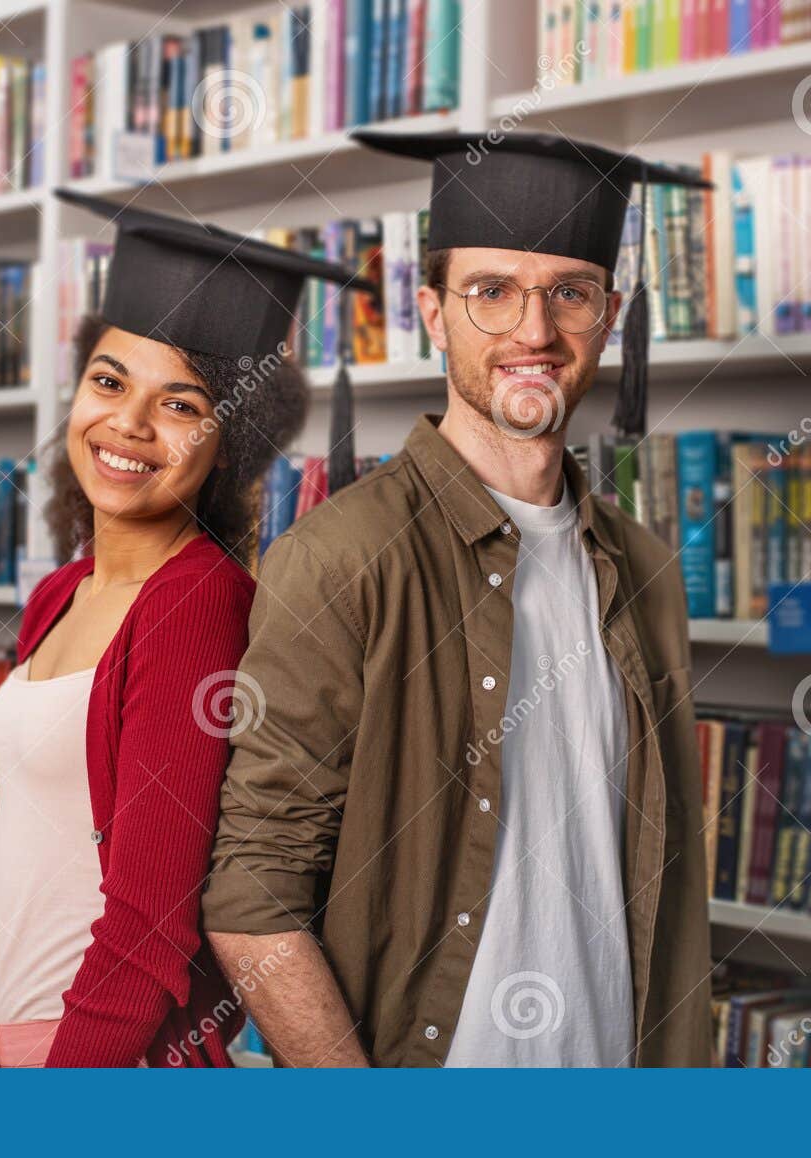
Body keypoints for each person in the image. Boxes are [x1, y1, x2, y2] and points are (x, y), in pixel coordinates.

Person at [202, 130, 714, 1067]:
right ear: (432, 313)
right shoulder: (340, 558)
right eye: (492, 292)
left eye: (571, 291)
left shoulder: (643, 569)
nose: (533, 331)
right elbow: (253, 895)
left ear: (610, 316)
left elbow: (665, 886)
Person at [0, 195, 371, 1067]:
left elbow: (149, 920)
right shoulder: (59, 594)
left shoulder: (197, 605)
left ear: (231, 440)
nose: (128, 426)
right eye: (109, 382)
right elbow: (8, 853)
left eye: (180, 405)